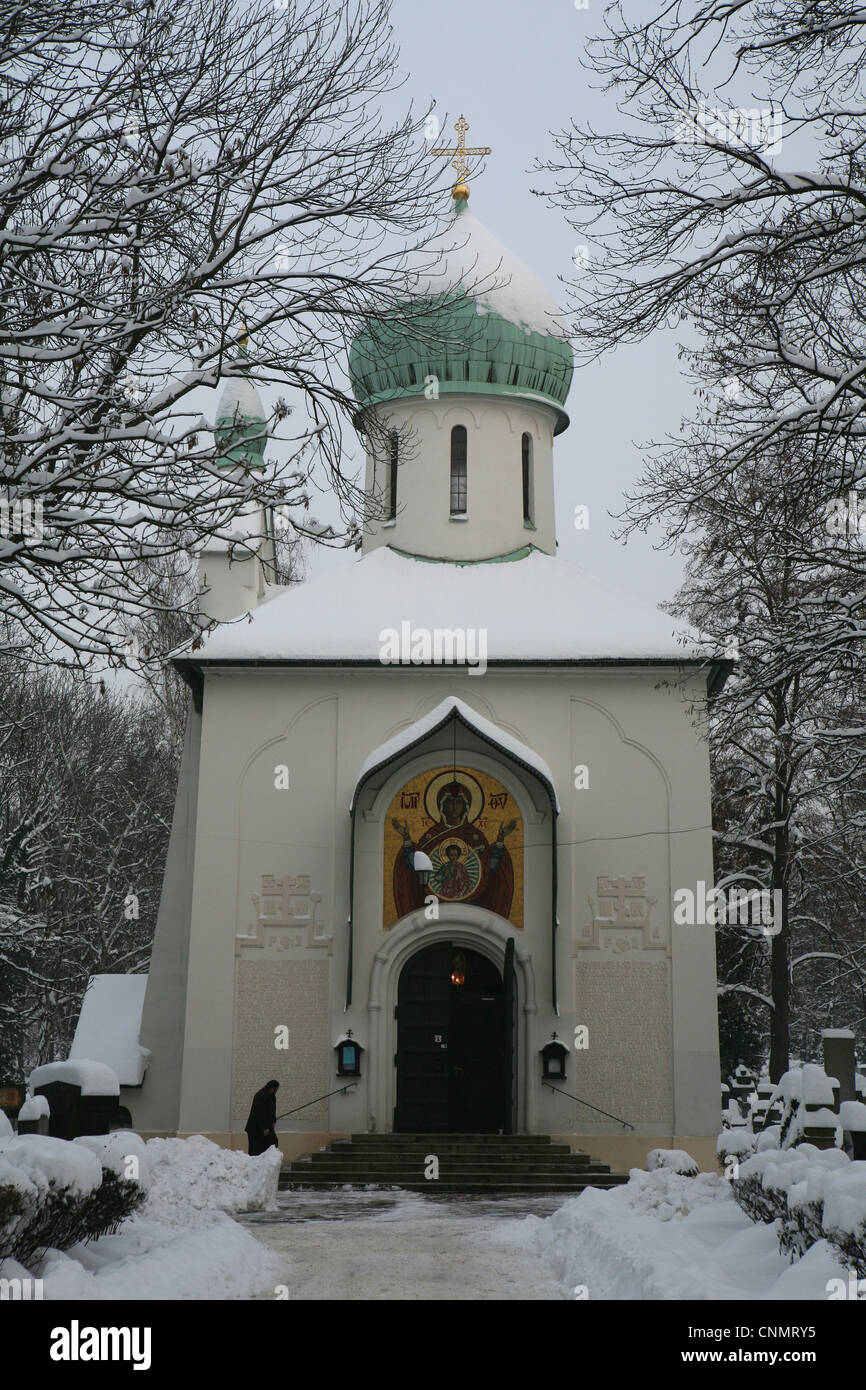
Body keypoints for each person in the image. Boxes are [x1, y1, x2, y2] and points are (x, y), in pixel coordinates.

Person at [245, 1079, 280, 1156]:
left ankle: (268, 1163)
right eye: (276, 1089)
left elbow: (272, 1110)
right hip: (256, 1129)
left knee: (273, 1143)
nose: (276, 1091)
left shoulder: (271, 1096)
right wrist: (264, 1128)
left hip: (267, 1127)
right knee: (256, 1151)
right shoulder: (260, 1096)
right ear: (272, 1088)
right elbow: (259, 1113)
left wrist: (273, 1120)